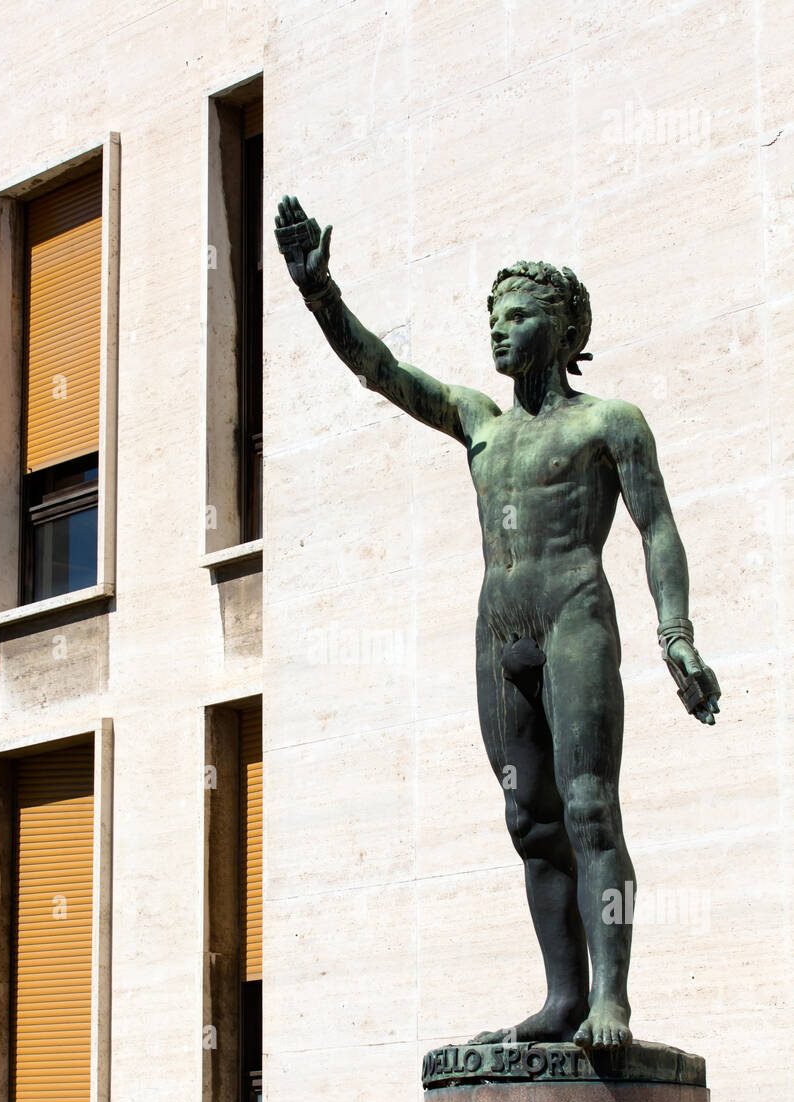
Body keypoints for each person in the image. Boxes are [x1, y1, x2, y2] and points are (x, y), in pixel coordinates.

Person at [274, 195, 720, 1047]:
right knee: (530, 821)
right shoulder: (480, 423)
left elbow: (657, 525)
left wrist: (678, 634)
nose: (499, 329)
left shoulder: (609, 423)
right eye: (492, 317)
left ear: (562, 325)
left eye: (516, 314)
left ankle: (610, 1001)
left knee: (590, 810)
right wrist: (319, 292)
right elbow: (384, 371)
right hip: (498, 634)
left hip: (574, 619)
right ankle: (562, 997)